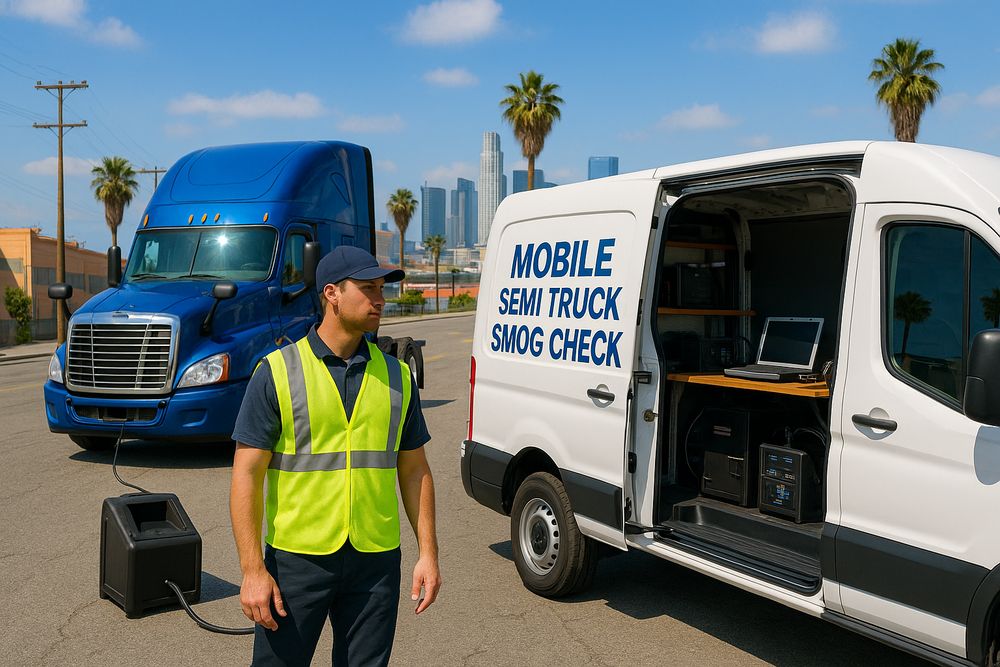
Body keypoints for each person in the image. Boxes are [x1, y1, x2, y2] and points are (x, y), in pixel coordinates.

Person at [230, 246, 441, 666]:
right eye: (367, 288)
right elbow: (246, 476)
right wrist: (253, 571)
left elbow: (415, 469)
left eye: (381, 288)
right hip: (297, 561)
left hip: (375, 561)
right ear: (332, 294)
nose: (379, 299)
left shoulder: (397, 376)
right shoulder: (276, 371)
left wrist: (429, 553)